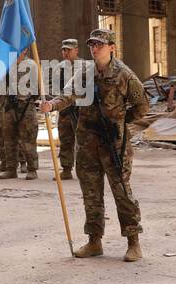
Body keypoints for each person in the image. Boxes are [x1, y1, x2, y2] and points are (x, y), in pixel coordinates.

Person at [39, 29, 149, 262]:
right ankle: (94, 241)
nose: (94, 48)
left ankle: (133, 242)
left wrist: (121, 122)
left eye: (99, 44)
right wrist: (52, 105)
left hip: (114, 145)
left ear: (112, 47)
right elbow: (68, 95)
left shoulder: (124, 74)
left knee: (122, 192)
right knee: (91, 193)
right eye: (92, 44)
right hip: (87, 142)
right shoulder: (85, 72)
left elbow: (142, 105)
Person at [0, 53, 39, 180]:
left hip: (26, 106)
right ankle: (11, 169)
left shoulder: (31, 65)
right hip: (10, 106)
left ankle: (32, 169)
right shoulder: (7, 65)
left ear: (25, 50)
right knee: (8, 138)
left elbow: (37, 87)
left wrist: (26, 99)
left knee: (28, 138)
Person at [54, 38, 81, 181]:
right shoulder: (59, 68)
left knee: (84, 141)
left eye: (68, 50)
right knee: (65, 139)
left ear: (76, 50)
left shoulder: (85, 67)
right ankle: (66, 169)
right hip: (65, 110)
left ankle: (85, 169)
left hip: (81, 110)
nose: (65, 52)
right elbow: (53, 86)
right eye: (63, 50)